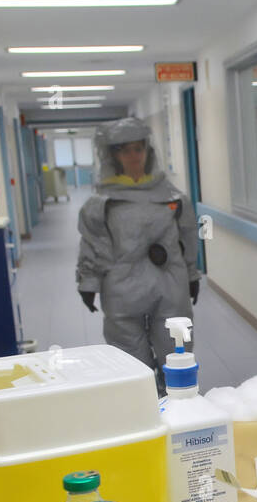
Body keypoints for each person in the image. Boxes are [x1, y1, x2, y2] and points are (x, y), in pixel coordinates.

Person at [76, 117, 200, 392]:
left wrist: (192, 274)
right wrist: (88, 282)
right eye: (125, 150)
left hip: (169, 284)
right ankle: (146, 414)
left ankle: (179, 414)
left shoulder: (174, 198)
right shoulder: (102, 204)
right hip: (122, 288)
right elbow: (93, 244)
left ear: (148, 151)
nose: (134, 156)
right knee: (130, 362)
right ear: (113, 155)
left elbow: (188, 237)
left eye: (138, 148)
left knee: (177, 353)